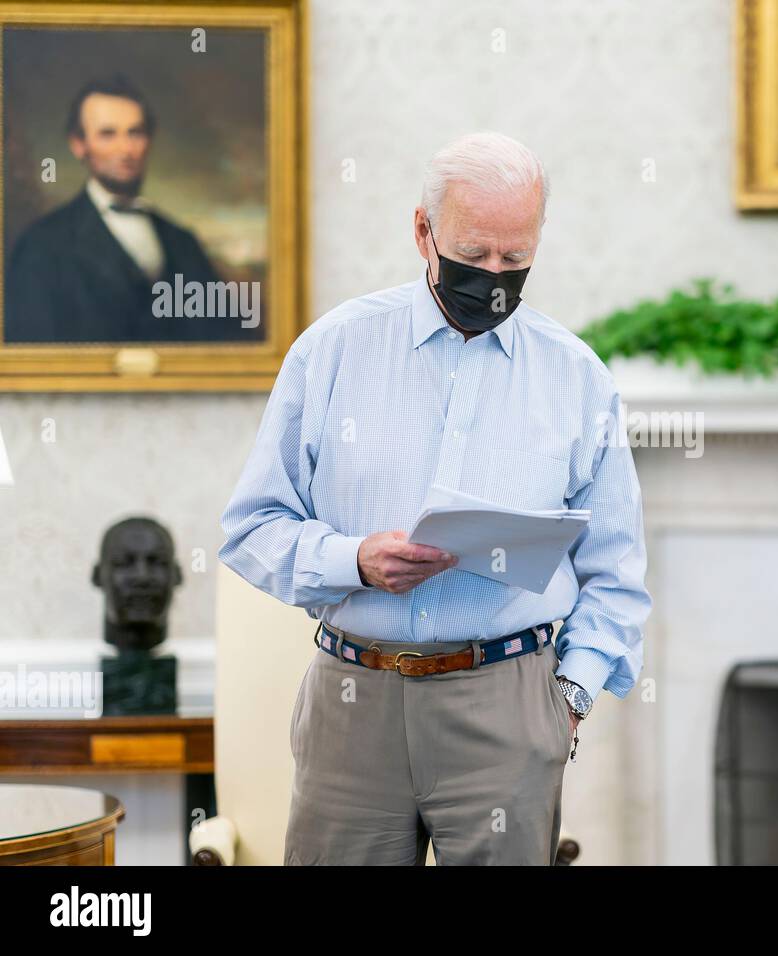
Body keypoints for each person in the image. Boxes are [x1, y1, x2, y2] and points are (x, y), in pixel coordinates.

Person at [218, 130, 651, 865]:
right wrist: (353, 559)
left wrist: (568, 701)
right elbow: (250, 528)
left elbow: (615, 570)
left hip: (508, 706)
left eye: (515, 259)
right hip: (352, 703)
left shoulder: (577, 377)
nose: (493, 276)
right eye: (474, 254)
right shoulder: (333, 352)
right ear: (423, 232)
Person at [5, 74, 255, 343]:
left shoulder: (183, 243)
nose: (126, 149)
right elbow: (31, 356)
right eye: (107, 134)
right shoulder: (42, 245)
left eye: (134, 133)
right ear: (78, 145)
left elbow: (229, 342)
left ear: (149, 140)